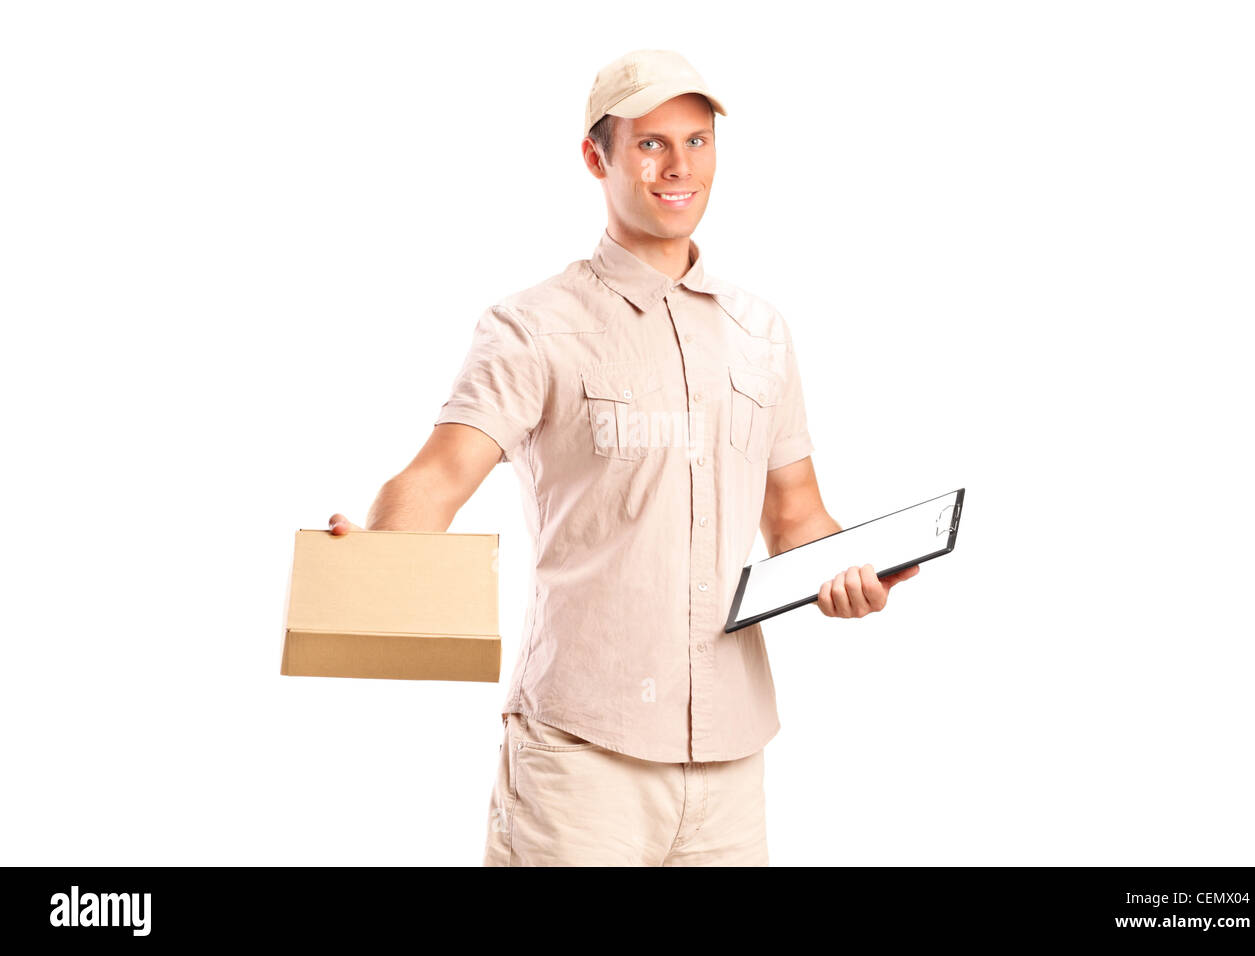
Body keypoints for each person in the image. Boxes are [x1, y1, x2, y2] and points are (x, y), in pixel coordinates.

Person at [327, 49, 919, 866]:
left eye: (699, 141)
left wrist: (852, 572)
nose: (680, 168)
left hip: (731, 760)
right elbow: (436, 478)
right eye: (650, 144)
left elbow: (795, 517)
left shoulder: (761, 331)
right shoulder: (532, 326)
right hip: (581, 760)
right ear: (596, 157)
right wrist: (376, 562)